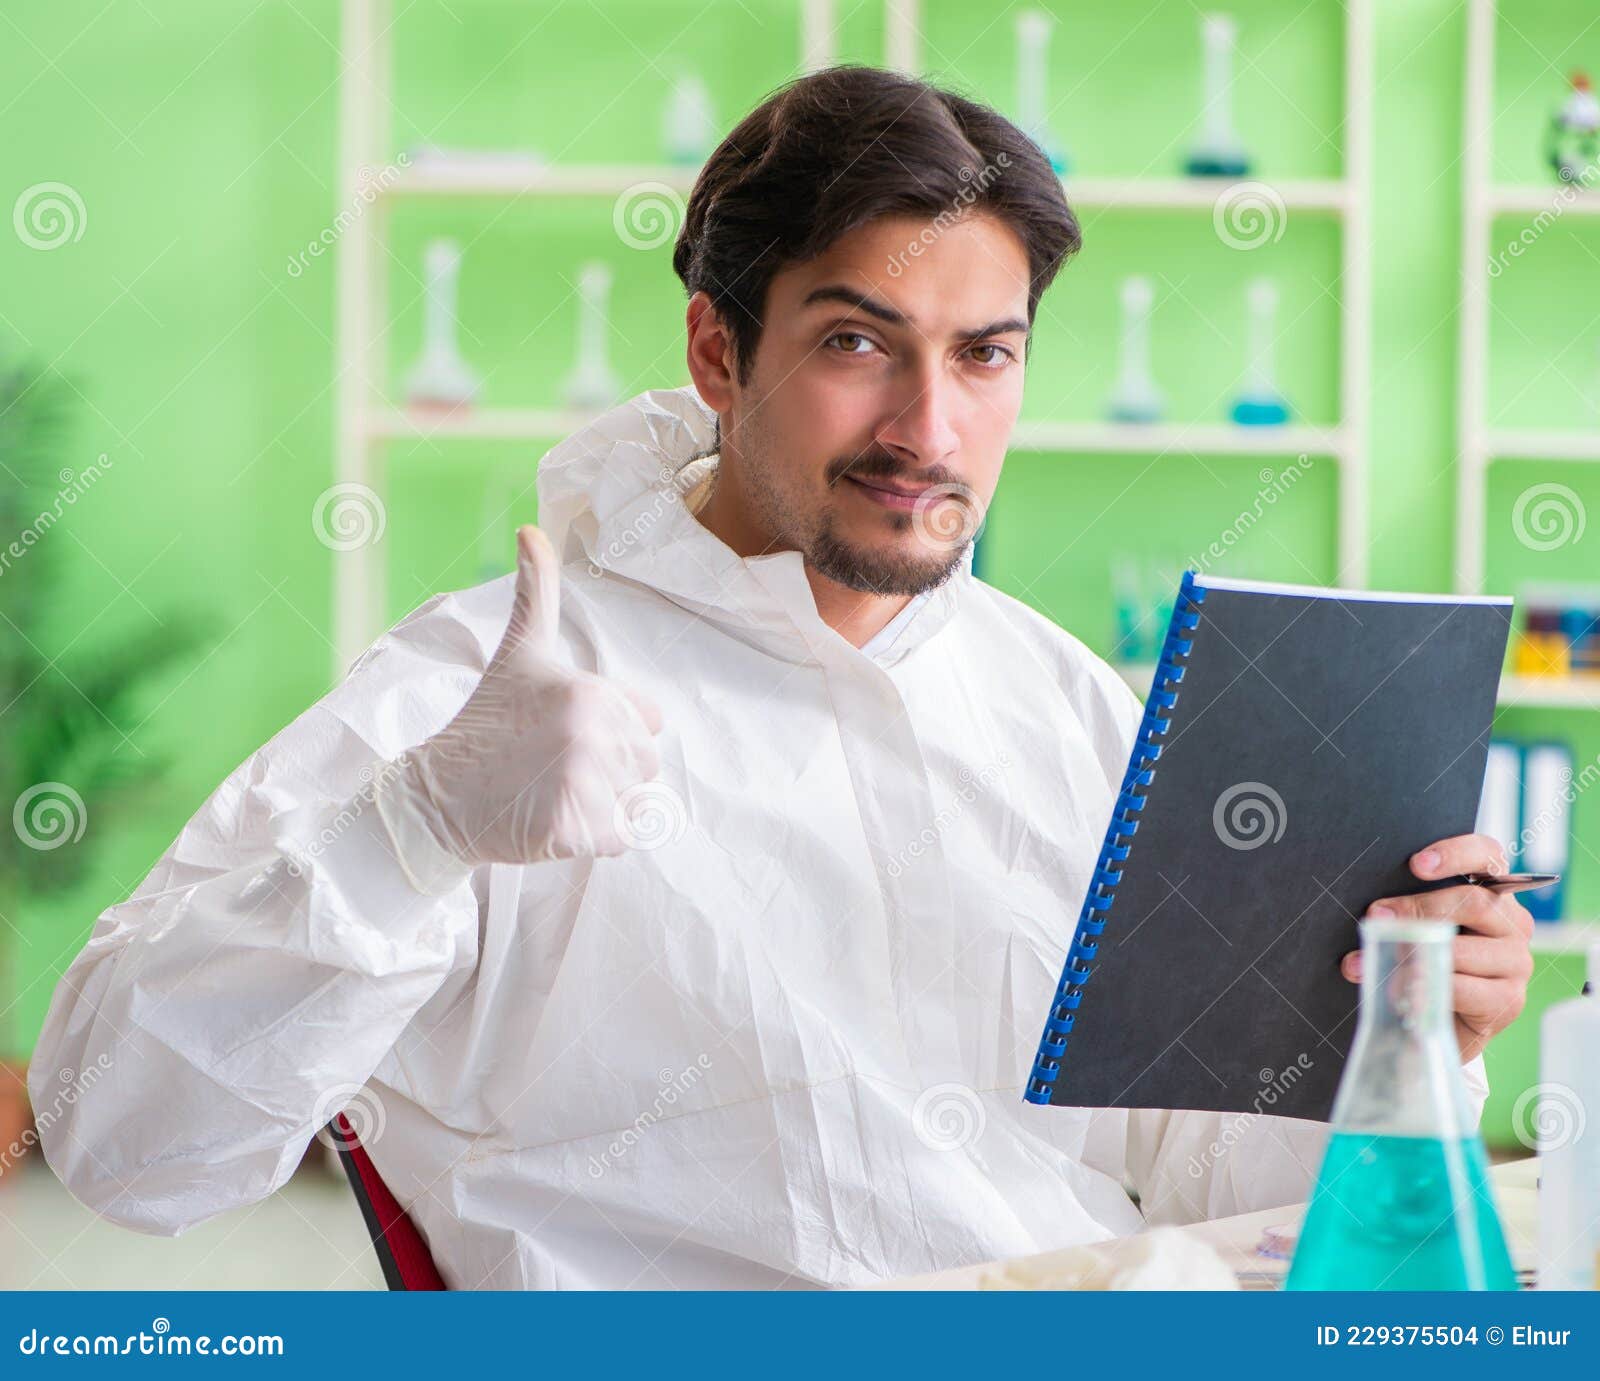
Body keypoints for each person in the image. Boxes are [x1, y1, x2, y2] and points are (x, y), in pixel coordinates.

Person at [30, 65, 1531, 1289]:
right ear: (718, 350)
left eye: (985, 355)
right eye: (858, 343)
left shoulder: (1073, 708)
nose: (929, 429)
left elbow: (1225, 1188)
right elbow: (125, 1149)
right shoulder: (486, 697)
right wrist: (407, 830)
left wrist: (1397, 1033)